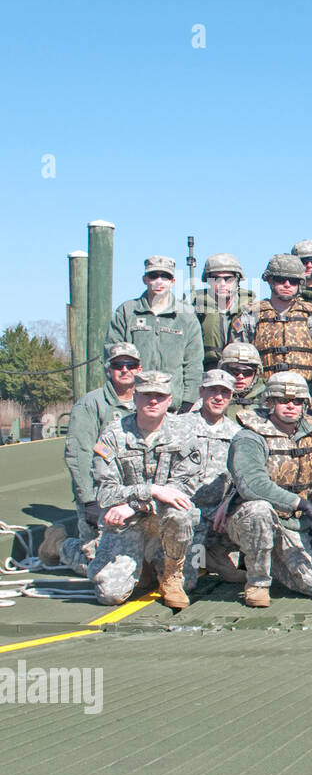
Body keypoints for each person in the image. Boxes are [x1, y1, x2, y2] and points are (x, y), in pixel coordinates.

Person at [226, 371, 312, 607]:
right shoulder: (250, 437)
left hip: (296, 525)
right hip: (256, 520)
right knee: (258, 509)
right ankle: (257, 582)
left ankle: (277, 560)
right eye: (283, 400)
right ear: (269, 402)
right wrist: (305, 505)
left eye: (297, 401)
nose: (290, 406)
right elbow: (253, 485)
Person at [88, 371, 199, 608]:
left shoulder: (183, 433)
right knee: (110, 595)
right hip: (126, 524)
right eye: (146, 395)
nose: (153, 401)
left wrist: (136, 504)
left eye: (159, 396)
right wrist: (153, 491)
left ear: (169, 400)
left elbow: (184, 489)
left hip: (161, 521)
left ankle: (171, 576)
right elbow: (105, 493)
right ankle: (62, 546)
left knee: (183, 515)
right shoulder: (114, 435)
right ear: (134, 398)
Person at [43, 342, 143, 574]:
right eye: (118, 365)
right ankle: (58, 544)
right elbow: (78, 455)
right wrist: (89, 501)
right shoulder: (91, 404)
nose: (125, 370)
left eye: (131, 365)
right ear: (109, 369)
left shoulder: (147, 401)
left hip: (133, 497)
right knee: (99, 566)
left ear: (139, 369)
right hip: (99, 496)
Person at [106, 256, 203, 411]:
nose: (159, 281)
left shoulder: (186, 316)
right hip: (133, 404)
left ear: (173, 281)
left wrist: (188, 402)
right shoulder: (127, 312)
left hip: (174, 407)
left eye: (165, 276)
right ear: (145, 279)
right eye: (154, 276)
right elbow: (111, 357)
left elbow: (194, 364)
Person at [178, 369, 245, 585]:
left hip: (218, 517)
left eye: (224, 393)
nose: (218, 397)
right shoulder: (177, 427)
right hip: (185, 516)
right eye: (213, 391)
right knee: (185, 583)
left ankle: (213, 556)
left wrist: (230, 502)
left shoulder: (237, 434)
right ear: (201, 391)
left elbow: (242, 478)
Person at [246, 254, 312, 386]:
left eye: (293, 281)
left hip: (304, 392)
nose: (287, 285)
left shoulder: (311, 316)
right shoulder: (252, 315)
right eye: (281, 280)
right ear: (270, 281)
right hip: (264, 393)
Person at [193, 253, 257, 371]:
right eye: (216, 279)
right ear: (208, 281)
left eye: (228, 279)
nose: (222, 284)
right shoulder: (194, 310)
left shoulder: (252, 311)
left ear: (237, 281)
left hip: (242, 374)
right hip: (207, 372)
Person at [218, 342, 265, 417]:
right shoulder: (211, 396)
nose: (240, 376)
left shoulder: (268, 399)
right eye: (234, 371)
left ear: (255, 375)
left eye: (247, 372)